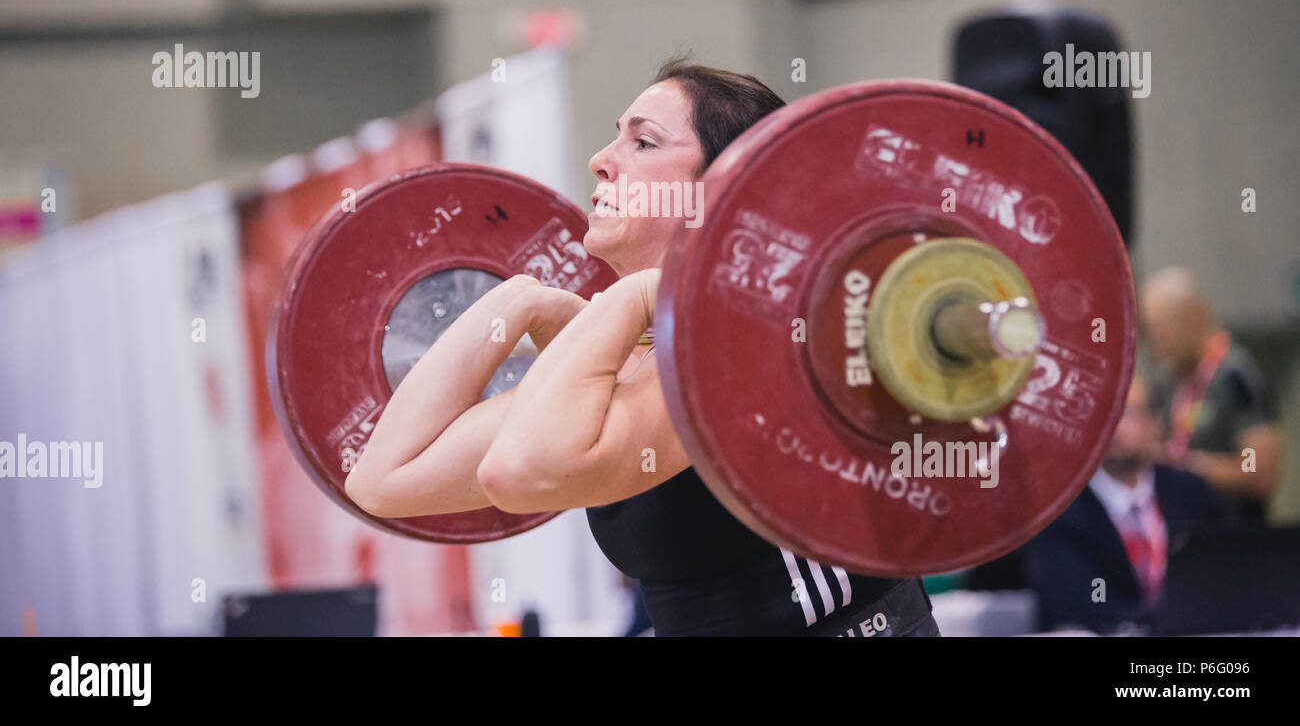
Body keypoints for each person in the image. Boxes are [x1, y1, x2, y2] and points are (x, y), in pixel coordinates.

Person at [344, 56, 939, 636]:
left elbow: (519, 468)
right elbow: (381, 481)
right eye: (614, 140)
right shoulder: (633, 352)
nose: (601, 162)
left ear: (721, 186)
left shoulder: (741, 345)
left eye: (644, 143)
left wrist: (629, 300)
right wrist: (518, 299)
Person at [1021, 372, 1234, 633]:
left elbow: (1227, 575)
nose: (1112, 427)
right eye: (1101, 416)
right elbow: (1077, 605)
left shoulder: (1189, 492)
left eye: (1127, 414)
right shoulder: (1060, 509)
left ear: (1155, 423)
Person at [1140, 267, 1281, 525]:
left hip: (1232, 538)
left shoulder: (1234, 377)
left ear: (1192, 319)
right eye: (1150, 334)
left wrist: (1193, 467)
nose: (1155, 346)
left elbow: (1259, 472)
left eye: (1162, 332)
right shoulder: (1168, 381)